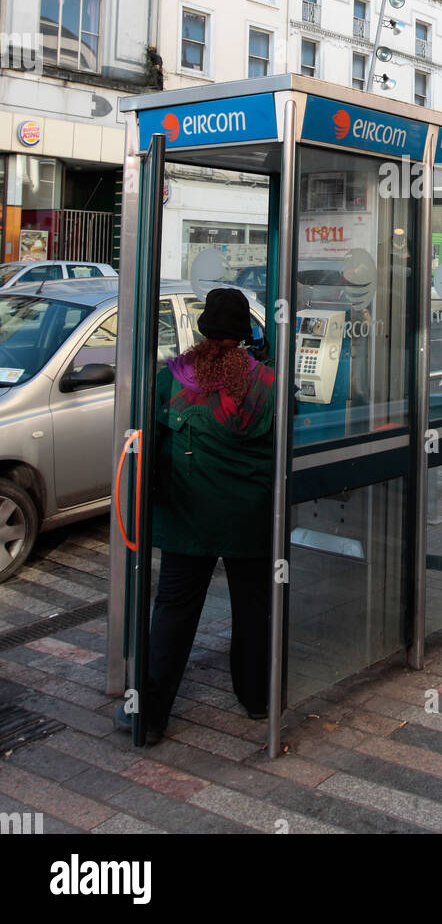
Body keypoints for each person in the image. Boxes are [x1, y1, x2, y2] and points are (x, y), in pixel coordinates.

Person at [115, 288, 275, 746]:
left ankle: (148, 715)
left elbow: (153, 453)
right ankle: (256, 698)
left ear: (203, 332)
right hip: (248, 521)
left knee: (173, 612)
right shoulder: (267, 384)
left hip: (187, 520)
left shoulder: (174, 380)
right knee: (253, 609)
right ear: (246, 337)